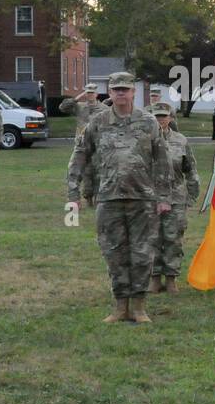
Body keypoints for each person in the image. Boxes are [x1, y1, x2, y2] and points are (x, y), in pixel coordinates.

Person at [66, 72, 171, 324]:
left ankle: (138, 307)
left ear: (133, 92)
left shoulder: (148, 122)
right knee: (114, 253)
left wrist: (164, 196)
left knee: (142, 253)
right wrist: (73, 192)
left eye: (125, 89)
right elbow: (80, 154)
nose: (121, 93)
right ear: (110, 93)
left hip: (142, 199)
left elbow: (163, 160)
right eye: (116, 90)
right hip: (109, 198)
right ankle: (119, 306)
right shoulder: (98, 122)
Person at [149, 102, 199, 294]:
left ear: (170, 118)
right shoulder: (144, 140)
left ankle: (171, 277)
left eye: (164, 116)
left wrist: (192, 194)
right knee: (152, 238)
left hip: (176, 196)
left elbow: (190, 169)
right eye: (157, 116)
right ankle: (154, 277)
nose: (160, 119)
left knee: (173, 238)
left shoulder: (181, 140)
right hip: (151, 197)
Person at [59, 83, 106, 205]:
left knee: (97, 173)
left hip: (98, 145)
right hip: (82, 144)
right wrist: (76, 98)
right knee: (80, 172)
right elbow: (62, 108)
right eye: (88, 92)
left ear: (96, 94)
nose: (90, 95)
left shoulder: (104, 109)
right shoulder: (79, 107)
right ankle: (81, 198)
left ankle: (97, 199)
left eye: (92, 92)